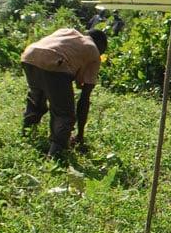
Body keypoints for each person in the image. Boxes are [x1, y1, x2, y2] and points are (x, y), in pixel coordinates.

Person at [20, 28, 107, 161]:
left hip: (30, 55)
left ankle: (26, 135)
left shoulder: (68, 32)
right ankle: (55, 156)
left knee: (37, 99)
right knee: (64, 114)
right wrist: (80, 136)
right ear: (100, 45)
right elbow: (84, 98)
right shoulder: (94, 51)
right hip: (56, 63)